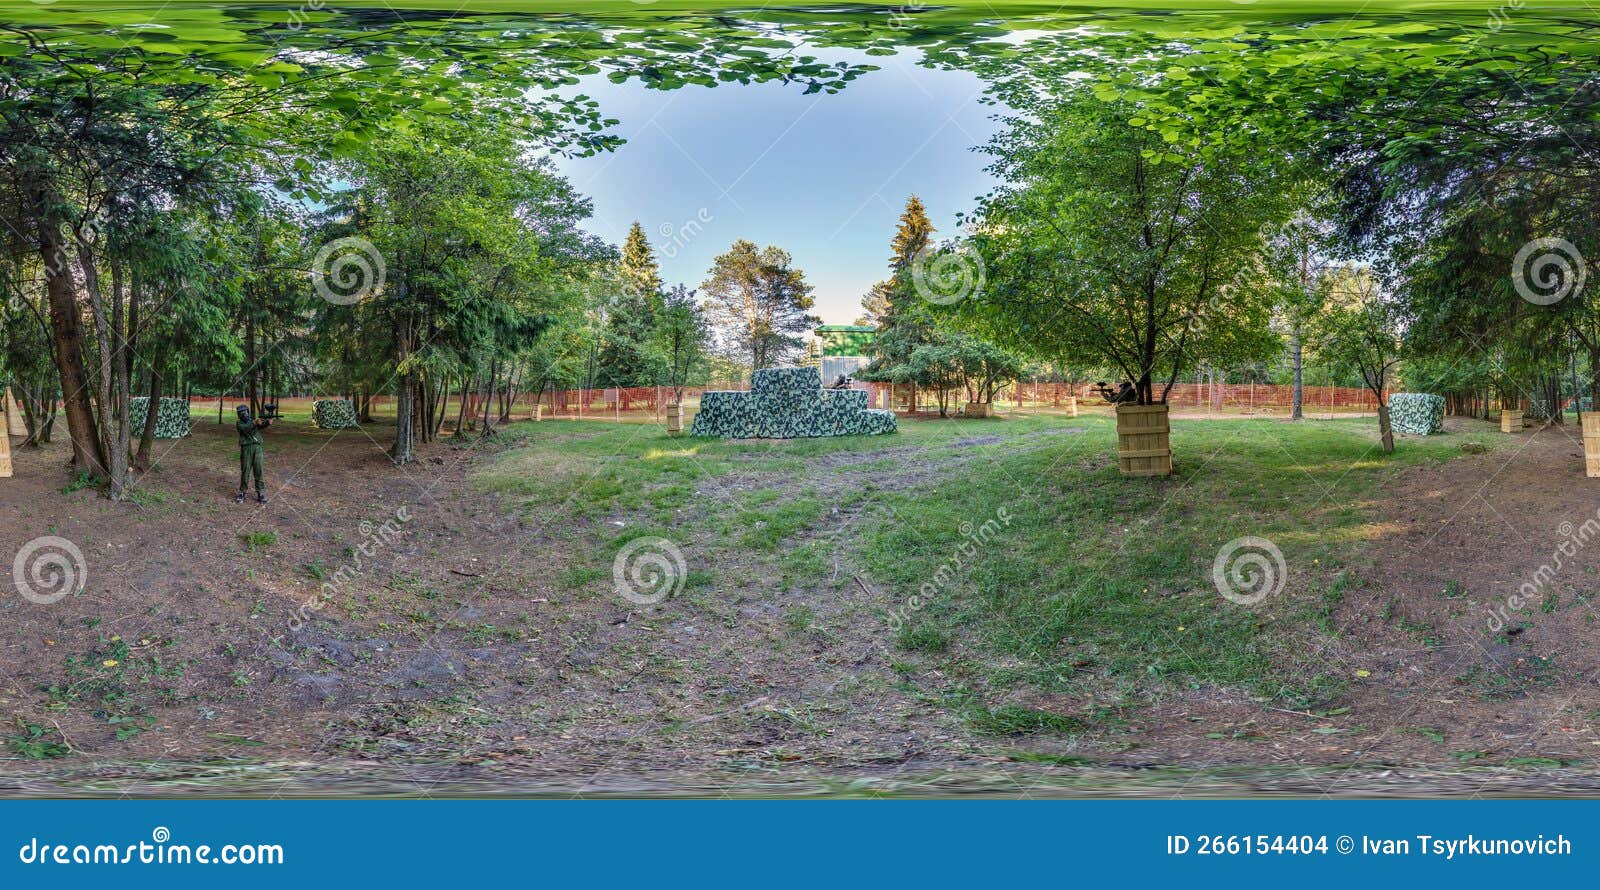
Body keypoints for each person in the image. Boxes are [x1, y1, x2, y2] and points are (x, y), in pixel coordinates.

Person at [234, 404, 271, 504]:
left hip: (257, 448)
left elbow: (261, 426)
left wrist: (268, 422)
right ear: (238, 414)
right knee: (245, 470)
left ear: (248, 412)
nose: (244, 414)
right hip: (246, 448)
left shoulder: (253, 420)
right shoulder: (239, 423)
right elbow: (246, 428)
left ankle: (260, 493)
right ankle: (242, 492)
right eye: (241, 413)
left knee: (259, 470)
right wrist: (254, 423)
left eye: (245, 412)